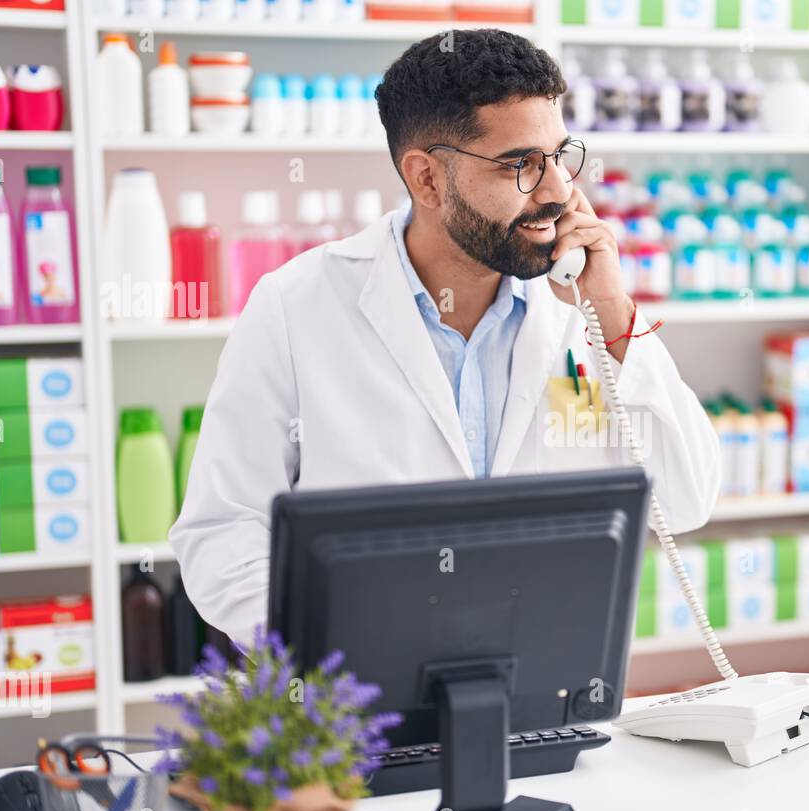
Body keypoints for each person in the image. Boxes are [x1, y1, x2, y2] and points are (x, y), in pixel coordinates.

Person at [170, 29, 721, 648]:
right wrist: (336, 655)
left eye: (561, 156)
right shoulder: (294, 306)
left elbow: (687, 501)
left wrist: (614, 319)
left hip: (541, 690)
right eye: (521, 165)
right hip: (360, 707)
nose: (559, 192)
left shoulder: (583, 309)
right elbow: (222, 532)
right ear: (428, 180)